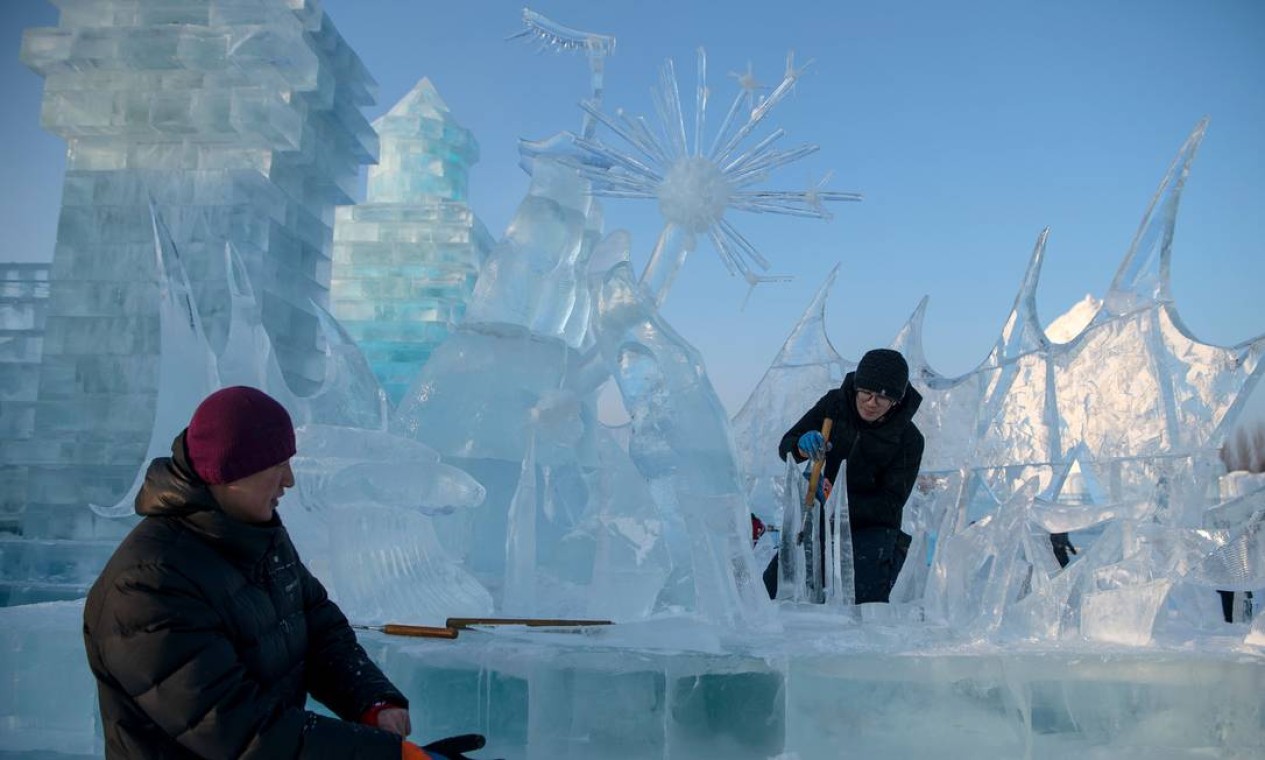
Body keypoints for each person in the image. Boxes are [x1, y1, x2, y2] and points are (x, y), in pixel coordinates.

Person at [83, 386, 486, 760]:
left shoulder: (255, 533)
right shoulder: (148, 585)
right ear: (229, 472)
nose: (289, 481)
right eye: (277, 466)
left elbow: (317, 626)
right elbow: (235, 728)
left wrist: (370, 700)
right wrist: (388, 755)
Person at [763, 348, 925, 603]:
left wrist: (837, 500)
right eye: (866, 392)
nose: (871, 403)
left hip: (871, 531)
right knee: (774, 591)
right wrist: (800, 447)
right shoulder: (834, 405)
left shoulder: (909, 439)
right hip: (819, 522)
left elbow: (890, 505)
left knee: (861, 604)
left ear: (896, 401)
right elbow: (787, 446)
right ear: (857, 387)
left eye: (882, 398)